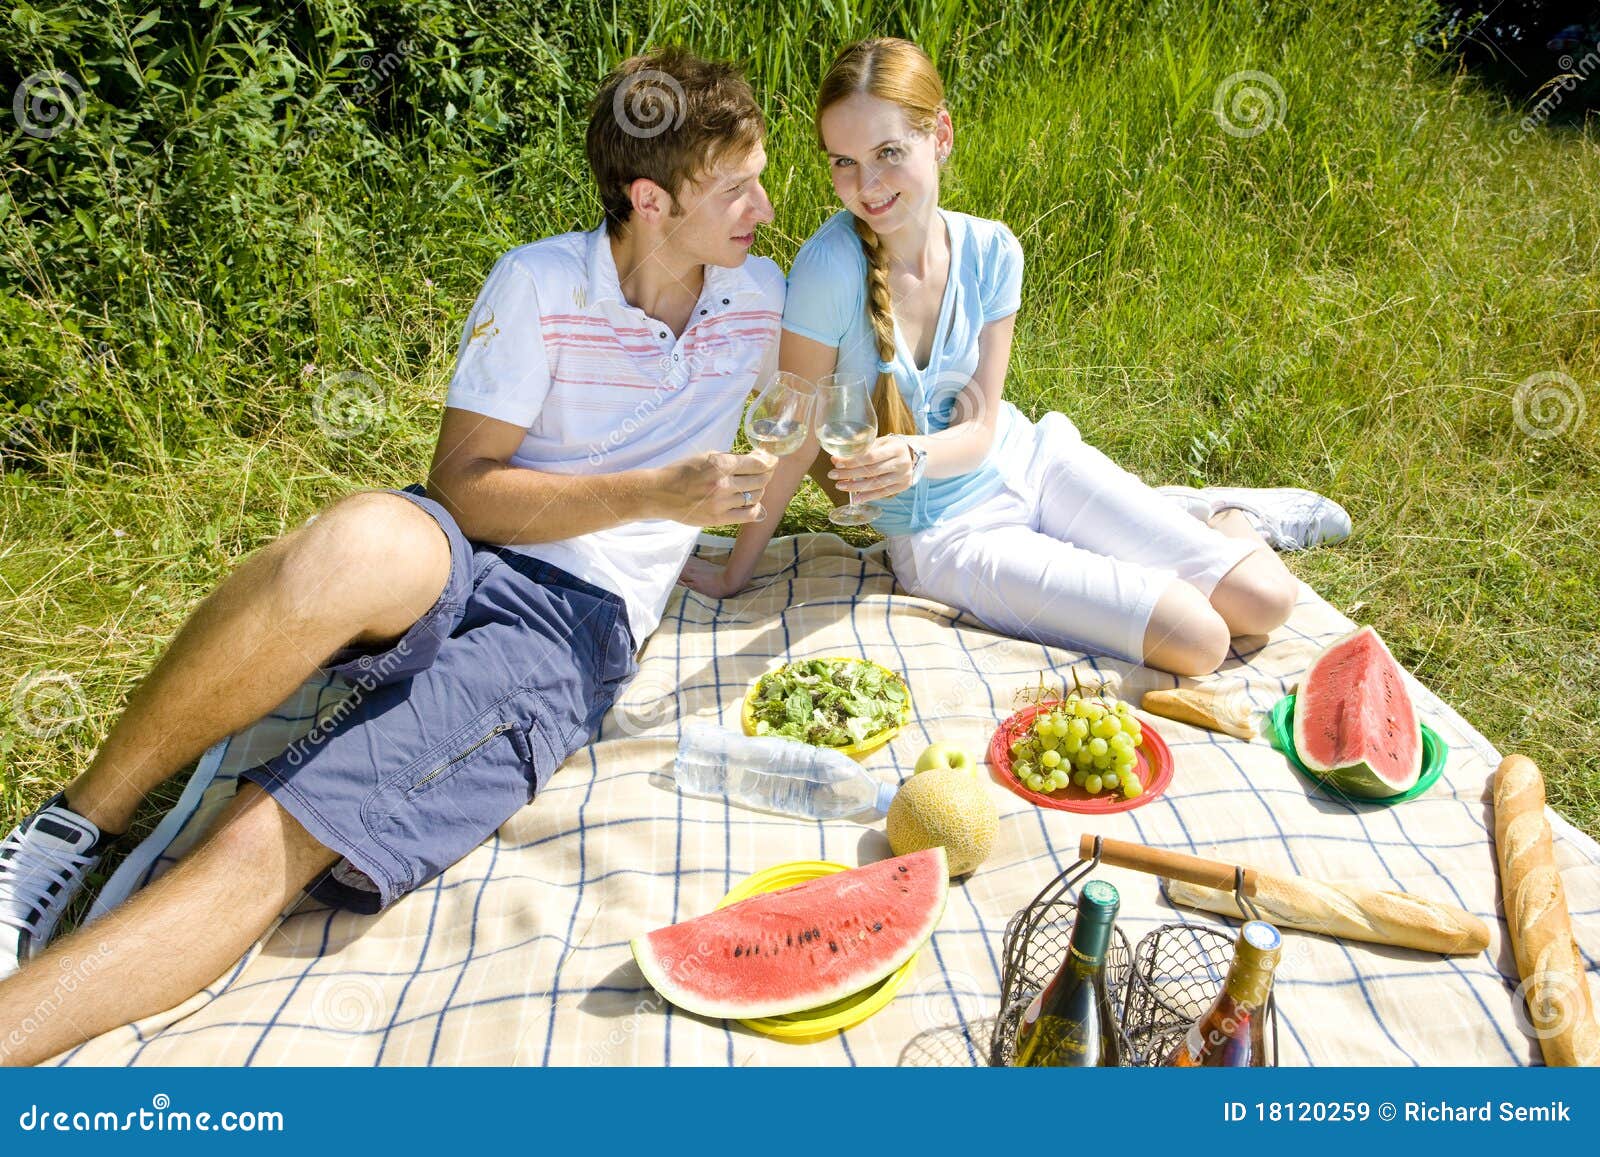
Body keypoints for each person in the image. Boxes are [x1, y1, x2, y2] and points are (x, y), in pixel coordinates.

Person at [0, 47, 783, 1065]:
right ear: (651, 199)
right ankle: (68, 831)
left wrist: (874, 470)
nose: (765, 207)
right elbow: (462, 484)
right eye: (736, 187)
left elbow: (841, 399)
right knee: (360, 539)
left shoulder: (760, 297)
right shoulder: (541, 280)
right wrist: (652, 491)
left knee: (272, 828)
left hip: (568, 623)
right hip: (470, 537)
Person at [679, 37, 1349, 675]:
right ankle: (1168, 525)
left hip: (1034, 462)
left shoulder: (994, 251)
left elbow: (981, 427)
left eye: (888, 152)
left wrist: (914, 453)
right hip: (947, 536)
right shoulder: (828, 268)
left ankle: (1225, 515)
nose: (866, 183)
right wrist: (737, 571)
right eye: (843, 161)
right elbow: (797, 437)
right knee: (1199, 639)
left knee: (1268, 601)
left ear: (940, 135)